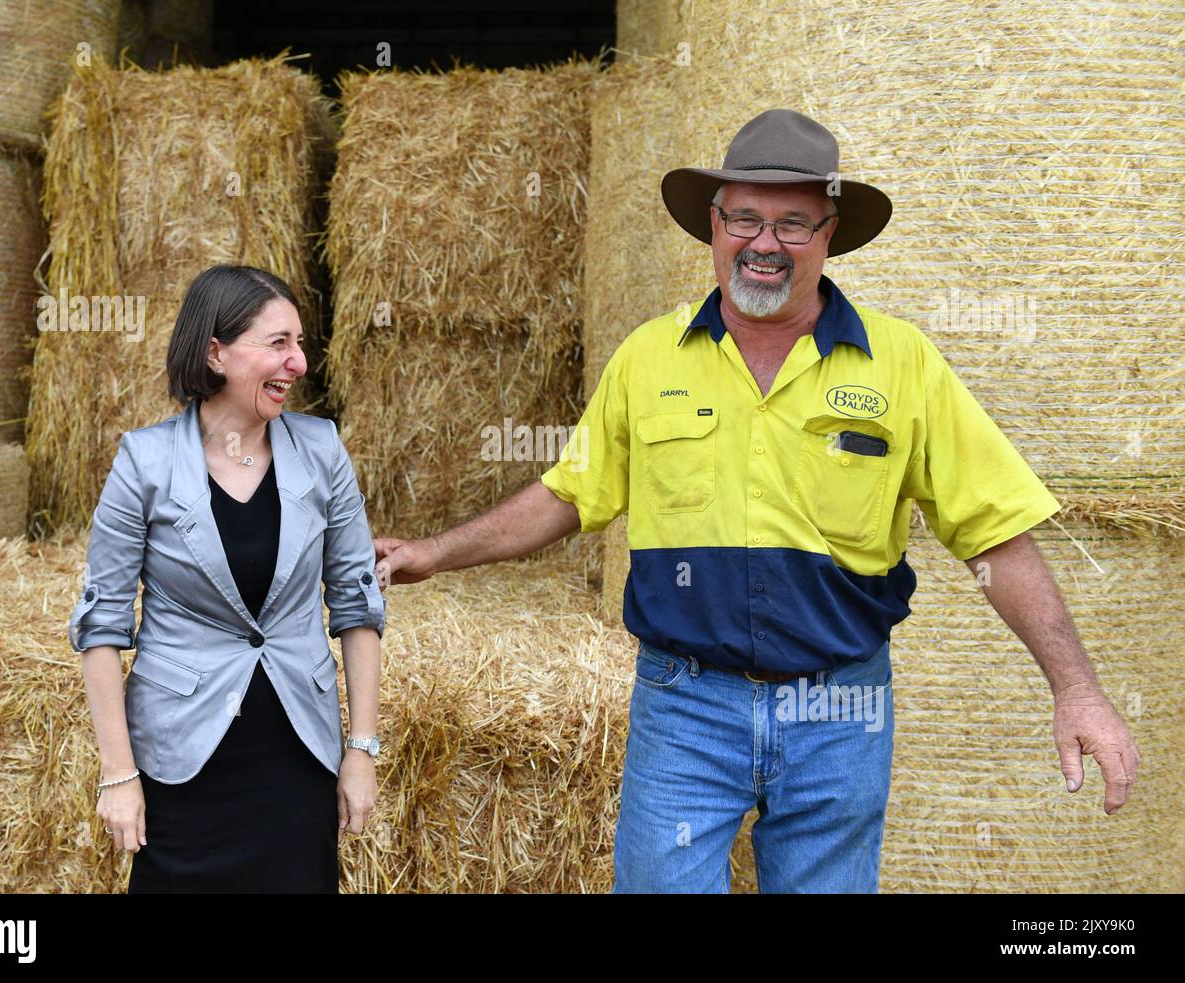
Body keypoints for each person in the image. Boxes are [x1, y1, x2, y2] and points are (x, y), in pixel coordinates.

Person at [373, 109, 1140, 893]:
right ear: (714, 224)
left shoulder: (902, 363)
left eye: (793, 223)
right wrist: (434, 552)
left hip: (842, 711)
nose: (764, 243)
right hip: (686, 708)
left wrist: (1075, 688)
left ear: (829, 233)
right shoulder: (649, 357)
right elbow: (568, 495)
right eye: (744, 217)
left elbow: (993, 534)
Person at [69, 264, 385, 893]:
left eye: (299, 344)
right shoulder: (145, 461)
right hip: (182, 764)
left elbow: (356, 604)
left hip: (297, 759)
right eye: (277, 344)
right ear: (214, 352)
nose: (297, 363)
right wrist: (118, 775)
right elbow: (102, 624)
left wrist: (362, 749)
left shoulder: (323, 449)